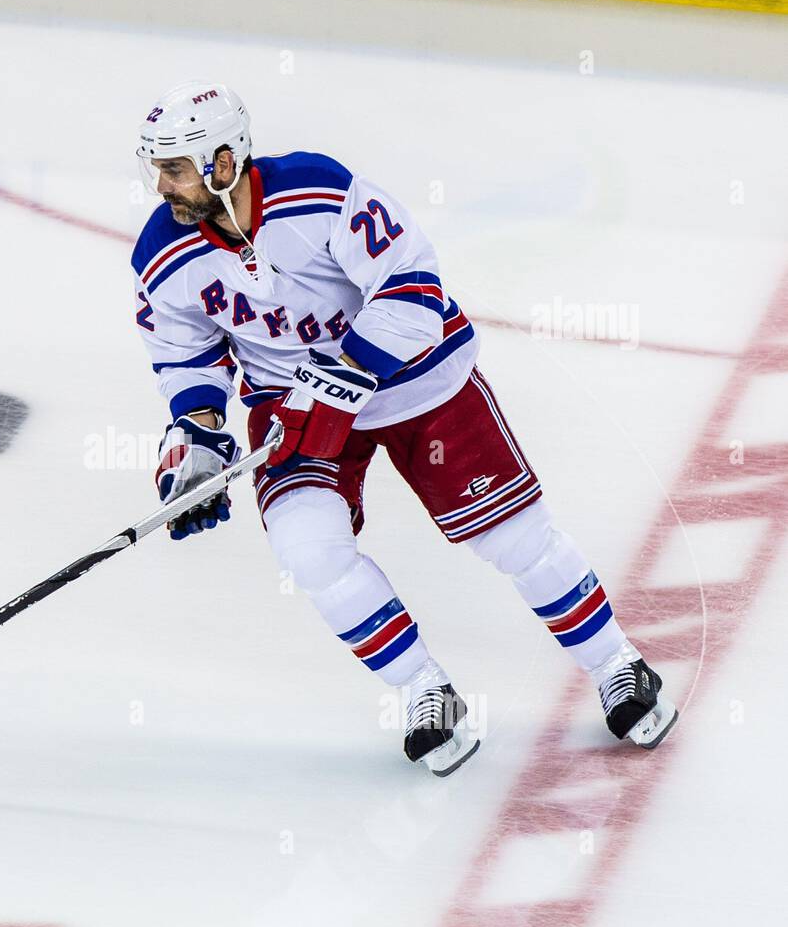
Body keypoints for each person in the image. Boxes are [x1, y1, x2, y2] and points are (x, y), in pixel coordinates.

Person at [133, 80, 677, 775]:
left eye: (174, 168)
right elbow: (183, 355)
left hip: (417, 383)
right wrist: (198, 442)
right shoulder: (161, 254)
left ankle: (616, 667)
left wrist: (340, 379)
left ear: (223, 162)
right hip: (290, 405)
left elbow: (414, 291)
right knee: (309, 549)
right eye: (155, 167)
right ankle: (425, 689)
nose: (161, 186)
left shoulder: (319, 191)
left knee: (513, 539)